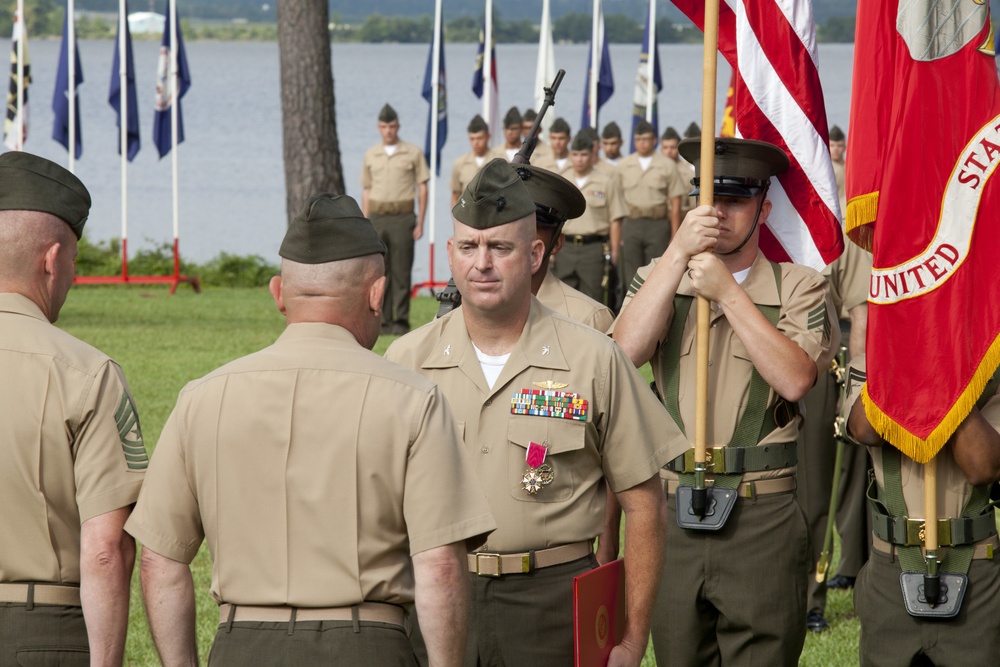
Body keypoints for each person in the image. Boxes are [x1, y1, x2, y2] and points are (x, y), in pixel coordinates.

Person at [125, 194, 496, 666]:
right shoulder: (413, 398)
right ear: (377, 294)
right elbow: (441, 565)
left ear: (278, 293)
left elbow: (161, 558)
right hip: (366, 647)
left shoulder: (201, 397)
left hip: (241, 647)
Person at [386, 158, 681, 667]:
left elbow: (646, 505)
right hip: (433, 594)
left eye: (500, 247)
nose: (482, 263)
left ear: (535, 253)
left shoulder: (594, 357)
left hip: (550, 603)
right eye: (468, 247)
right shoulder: (407, 361)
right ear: (451, 255)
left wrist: (632, 640)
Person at [612, 137, 839, 666]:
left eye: (736, 201)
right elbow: (621, 356)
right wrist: (677, 256)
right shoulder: (658, 279)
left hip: (759, 514)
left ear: (764, 208)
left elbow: (796, 379)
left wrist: (728, 293)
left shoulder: (799, 287)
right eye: (708, 199)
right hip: (671, 510)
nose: (719, 214)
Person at [0, 151, 146, 666]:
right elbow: (106, 548)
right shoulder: (87, 373)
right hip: (40, 630)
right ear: (52, 259)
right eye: (75, 264)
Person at [843, 356, 1000, 667]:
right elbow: (865, 428)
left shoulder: (990, 366)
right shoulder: (872, 359)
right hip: (890, 566)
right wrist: (912, 355)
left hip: (974, 570)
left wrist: (944, 371)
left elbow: (982, 465)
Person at [797, 123, 872, 631]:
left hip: (818, 370)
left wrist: (860, 384)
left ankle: (809, 598)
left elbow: (859, 307)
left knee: (816, 489)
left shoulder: (831, 219)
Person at [521, 160, 615, 333]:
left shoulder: (589, 320)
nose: (518, 240)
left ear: (556, 243)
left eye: (532, 230)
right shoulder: (473, 307)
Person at [360, 103, 430, 336]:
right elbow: (367, 189)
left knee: (401, 271)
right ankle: (383, 320)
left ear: (398, 126)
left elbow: (422, 187)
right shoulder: (371, 154)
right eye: (383, 126)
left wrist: (420, 222)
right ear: (378, 128)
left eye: (391, 126)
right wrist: (365, 220)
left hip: (402, 217)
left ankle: (400, 321)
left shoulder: (412, 152)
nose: (388, 130)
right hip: (377, 217)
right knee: (380, 272)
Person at [615, 119, 689, 292]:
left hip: (658, 225)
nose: (642, 143)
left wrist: (674, 235)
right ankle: (630, 311)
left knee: (656, 271)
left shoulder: (667, 165)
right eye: (638, 139)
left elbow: (675, 204)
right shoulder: (624, 166)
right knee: (630, 272)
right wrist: (619, 234)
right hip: (631, 224)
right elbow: (617, 203)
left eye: (646, 139)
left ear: (654, 140)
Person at [552, 133, 626, 305]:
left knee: (592, 298)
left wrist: (614, 252)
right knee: (562, 298)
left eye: (584, 155)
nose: (579, 159)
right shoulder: (561, 180)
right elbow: (553, 217)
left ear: (593, 155)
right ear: (570, 155)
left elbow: (615, 219)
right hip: (565, 247)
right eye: (576, 155)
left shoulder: (605, 182)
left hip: (593, 249)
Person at [451, 115, 491, 207]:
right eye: (472, 139)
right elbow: (455, 195)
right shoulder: (460, 163)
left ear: (488, 136)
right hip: (467, 215)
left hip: (492, 215)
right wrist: (455, 220)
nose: (476, 143)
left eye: (480, 138)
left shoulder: (499, 161)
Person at [662, 125, 698, 222]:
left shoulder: (688, 172)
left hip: (682, 219)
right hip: (659, 221)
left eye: (672, 147)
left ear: (678, 148)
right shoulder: (655, 170)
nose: (668, 151)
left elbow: (694, 203)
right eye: (665, 147)